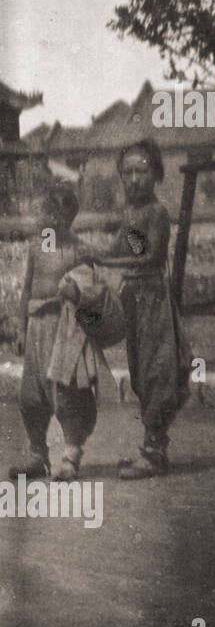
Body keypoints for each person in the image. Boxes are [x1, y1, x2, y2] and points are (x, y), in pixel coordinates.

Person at [96, 139, 190, 480]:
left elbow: (148, 257)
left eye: (142, 171)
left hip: (153, 299)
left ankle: (153, 452)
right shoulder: (130, 214)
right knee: (138, 371)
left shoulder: (156, 213)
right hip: (133, 300)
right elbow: (119, 246)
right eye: (128, 173)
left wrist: (106, 259)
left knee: (156, 371)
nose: (134, 179)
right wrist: (93, 253)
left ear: (156, 174)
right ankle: (154, 448)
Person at [11, 184, 100, 480]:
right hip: (37, 326)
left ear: (70, 216)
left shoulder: (79, 248)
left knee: (68, 393)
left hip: (66, 329)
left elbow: (92, 291)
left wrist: (76, 292)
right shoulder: (37, 247)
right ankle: (38, 453)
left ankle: (71, 456)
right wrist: (21, 329)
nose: (51, 220)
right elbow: (26, 289)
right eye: (47, 213)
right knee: (31, 397)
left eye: (59, 214)